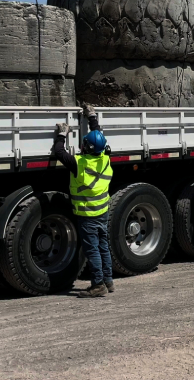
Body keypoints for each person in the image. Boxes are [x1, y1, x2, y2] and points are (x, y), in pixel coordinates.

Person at [54, 104, 114, 297]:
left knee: (93, 250)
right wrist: (92, 116)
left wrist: (62, 134)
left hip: (87, 214)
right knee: (103, 247)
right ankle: (108, 281)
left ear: (86, 147)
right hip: (102, 212)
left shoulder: (79, 164)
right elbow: (98, 135)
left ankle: (98, 286)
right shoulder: (105, 158)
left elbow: (59, 152)